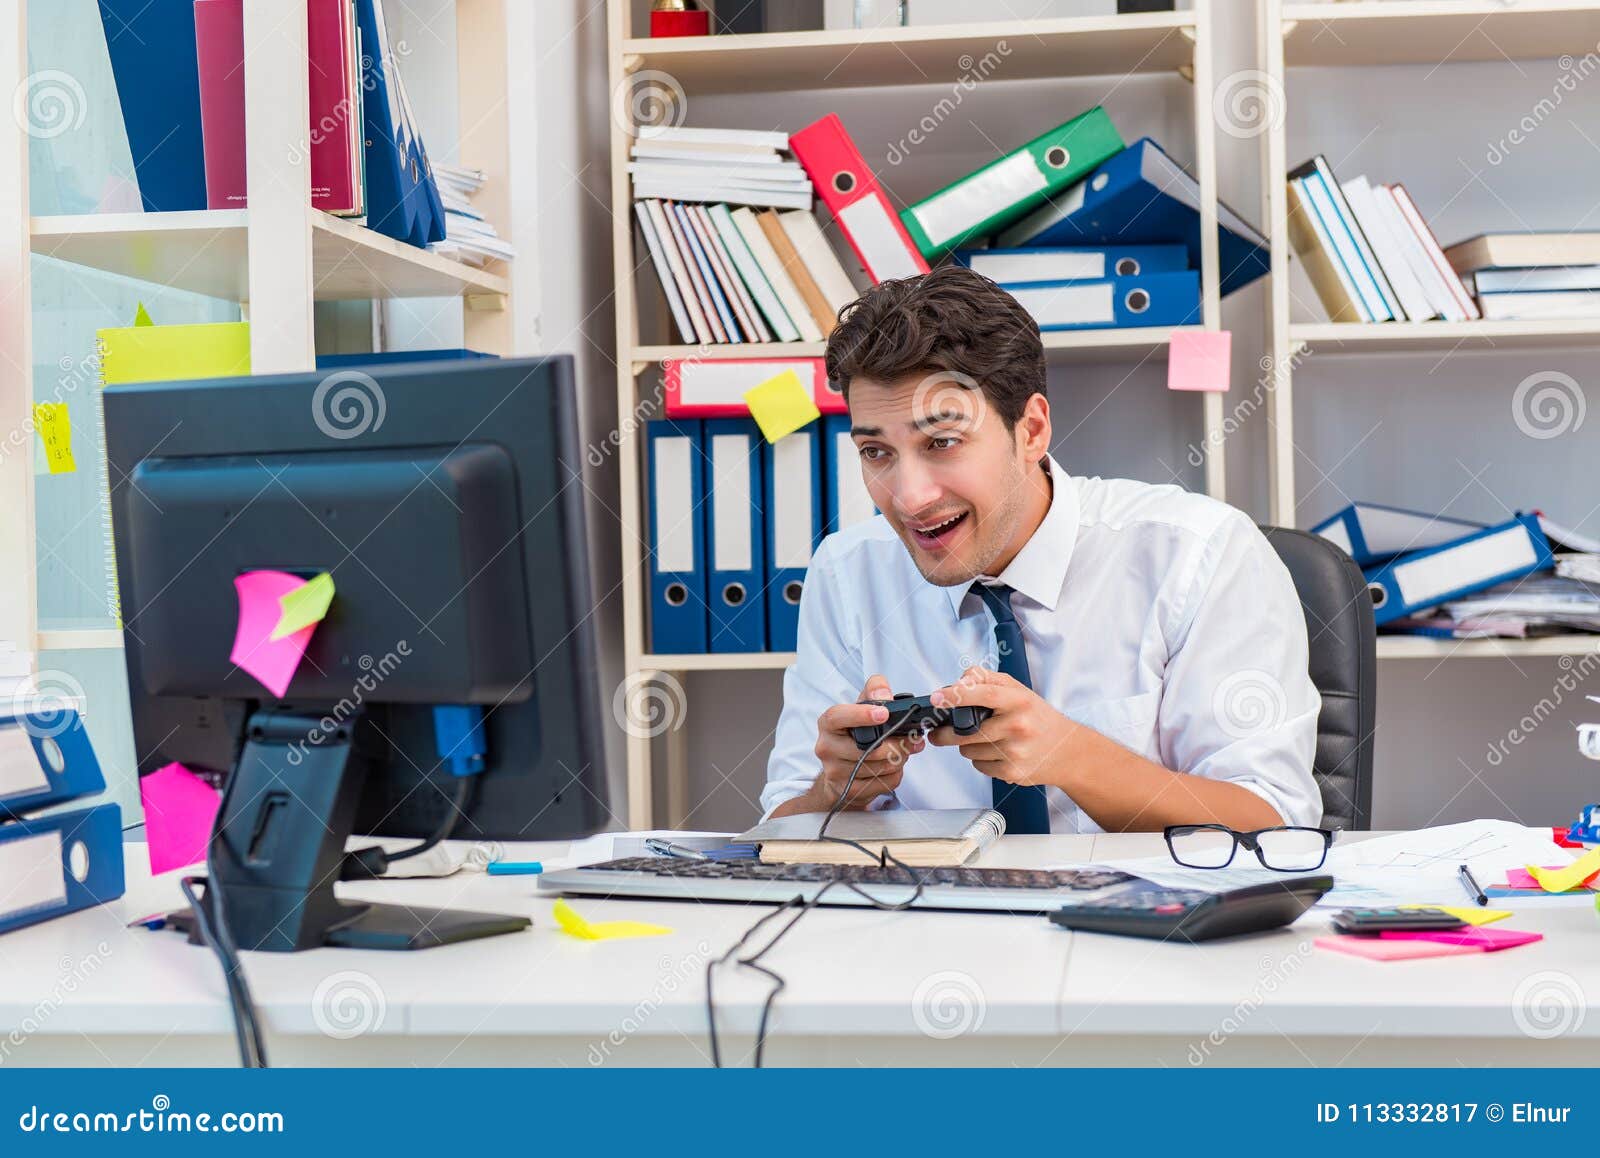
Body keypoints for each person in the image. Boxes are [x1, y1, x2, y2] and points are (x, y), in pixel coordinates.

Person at [760, 266, 1322, 834]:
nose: (909, 497)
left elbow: (1276, 822)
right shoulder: (846, 573)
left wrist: (1073, 756)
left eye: (943, 443)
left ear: (1030, 431)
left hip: (1136, 919)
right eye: (876, 452)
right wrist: (836, 791)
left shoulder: (1200, 554)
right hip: (925, 917)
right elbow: (778, 826)